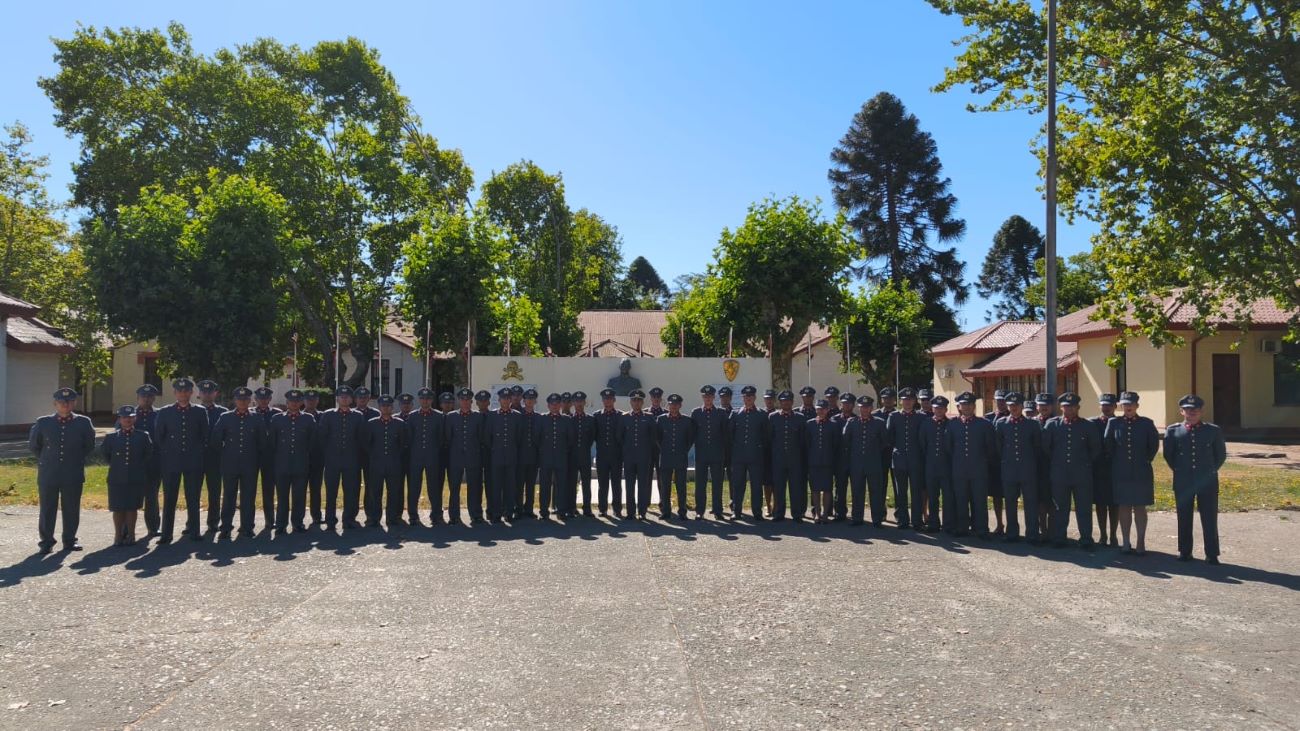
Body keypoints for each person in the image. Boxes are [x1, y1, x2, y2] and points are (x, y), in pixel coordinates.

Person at [29, 388, 97, 553]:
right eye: (62, 402)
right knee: (47, 508)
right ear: (55, 404)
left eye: (69, 401)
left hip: (72, 472)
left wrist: (73, 459)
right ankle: (46, 542)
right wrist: (49, 460)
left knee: (71, 508)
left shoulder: (83, 422)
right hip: (49, 473)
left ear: (74, 403)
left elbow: (89, 446)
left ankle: (69, 540)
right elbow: (34, 446)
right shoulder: (43, 422)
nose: (65, 404)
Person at [1164, 394, 1227, 563]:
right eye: (1188, 410)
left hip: (1207, 481)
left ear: (1201, 411)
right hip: (1183, 480)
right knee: (1183, 516)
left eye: (1195, 410)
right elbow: (1169, 455)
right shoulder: (1173, 430)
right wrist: (1180, 471)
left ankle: (1212, 554)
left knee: (1209, 517)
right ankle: (1185, 551)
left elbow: (1220, 455)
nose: (1192, 413)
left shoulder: (1213, 430)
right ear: (1181, 411)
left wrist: (1209, 472)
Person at [1043, 392, 1101, 549]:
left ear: (1078, 407)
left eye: (1072, 407)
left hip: (1082, 474)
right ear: (1061, 407)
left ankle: (1086, 538)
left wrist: (1084, 463)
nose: (1069, 410)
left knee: (1084, 507)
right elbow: (1046, 449)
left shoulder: (1088, 426)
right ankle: (1060, 537)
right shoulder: (1053, 425)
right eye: (1066, 407)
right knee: (1060, 507)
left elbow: (1095, 449)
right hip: (1060, 474)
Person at [155, 378, 210, 543]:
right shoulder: (165, 411)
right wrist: (169, 453)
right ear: (175, 393)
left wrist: (197, 453)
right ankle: (166, 534)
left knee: (193, 496)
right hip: (171, 461)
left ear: (191, 393)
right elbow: (159, 436)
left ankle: (194, 531)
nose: (183, 394)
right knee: (169, 498)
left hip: (193, 461)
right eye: (180, 391)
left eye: (186, 391)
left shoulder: (199, 411)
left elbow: (204, 435)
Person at [1104, 391, 1160, 555]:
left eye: (1131, 404)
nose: (1128, 407)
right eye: (1125, 404)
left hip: (1141, 470)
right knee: (1124, 506)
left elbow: (1153, 446)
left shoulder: (1146, 423)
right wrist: (1119, 461)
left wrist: (1143, 460)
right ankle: (1126, 542)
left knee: (1140, 506)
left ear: (1137, 406)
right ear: (1121, 406)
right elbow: (1108, 444)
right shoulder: (1114, 423)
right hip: (1120, 470)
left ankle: (1140, 541)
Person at [209, 386, 266, 537]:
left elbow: (262, 443)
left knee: (248, 496)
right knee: (229, 496)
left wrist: (256, 460)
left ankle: (247, 527)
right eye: (240, 399)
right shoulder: (225, 417)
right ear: (235, 400)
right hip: (230, 464)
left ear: (250, 401)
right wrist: (226, 454)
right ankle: (226, 527)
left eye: (246, 399)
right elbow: (216, 440)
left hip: (250, 464)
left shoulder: (257, 418)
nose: (242, 402)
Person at [943, 391, 996, 538]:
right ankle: (962, 527)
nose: (966, 407)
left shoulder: (984, 424)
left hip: (979, 469)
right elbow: (948, 447)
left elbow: (990, 448)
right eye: (963, 404)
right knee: (961, 499)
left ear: (974, 406)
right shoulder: (952, 424)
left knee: (979, 500)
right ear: (959, 407)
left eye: (969, 404)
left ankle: (981, 529)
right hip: (959, 468)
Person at [994, 392, 1042, 544]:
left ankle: (1032, 534)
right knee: (1010, 502)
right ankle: (1012, 533)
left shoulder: (1032, 424)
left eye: (1016, 405)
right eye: (1011, 406)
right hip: (1009, 469)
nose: (1013, 408)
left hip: (1028, 469)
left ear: (1022, 406)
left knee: (1030, 502)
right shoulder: (1001, 423)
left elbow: (1037, 447)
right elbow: (998, 447)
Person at [103, 405, 152, 546]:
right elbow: (107, 455)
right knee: (117, 508)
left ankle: (131, 535)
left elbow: (147, 454)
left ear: (135, 418)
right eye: (124, 418)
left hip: (135, 477)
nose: (128, 420)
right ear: (119, 419)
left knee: (132, 507)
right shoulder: (111, 437)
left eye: (131, 417)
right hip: (116, 477)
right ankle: (118, 536)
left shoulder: (143, 436)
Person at [269, 389, 317, 534]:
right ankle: (281, 524)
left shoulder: (308, 419)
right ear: (287, 402)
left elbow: (313, 442)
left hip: (300, 463)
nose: (294, 404)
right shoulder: (277, 419)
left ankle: (297, 523)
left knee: (299, 495)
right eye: (291, 401)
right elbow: (272, 442)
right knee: (282, 496)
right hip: (282, 464)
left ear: (301, 402)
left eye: (297, 401)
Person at [844, 394, 889, 527]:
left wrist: (873, 453)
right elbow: (846, 440)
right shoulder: (852, 422)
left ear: (871, 408)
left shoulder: (879, 423)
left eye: (867, 407)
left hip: (874, 462)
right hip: (857, 462)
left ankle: (877, 519)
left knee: (876, 491)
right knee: (857, 490)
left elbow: (884, 442)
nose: (864, 409)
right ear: (858, 408)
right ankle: (857, 518)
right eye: (862, 407)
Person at [364, 395, 408, 528]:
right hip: (376, 463)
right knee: (375, 492)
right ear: (379, 407)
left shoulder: (400, 424)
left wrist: (395, 457)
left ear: (392, 407)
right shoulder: (372, 423)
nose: (386, 408)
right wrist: (374, 456)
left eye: (388, 406)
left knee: (394, 492)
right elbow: (366, 444)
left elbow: (403, 444)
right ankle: (374, 518)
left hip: (394, 463)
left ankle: (392, 518)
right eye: (383, 406)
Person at [444, 388, 486, 526]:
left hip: (473, 457)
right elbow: (448, 438)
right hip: (455, 458)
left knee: (474, 488)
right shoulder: (451, 417)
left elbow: (481, 438)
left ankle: (476, 515)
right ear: (459, 401)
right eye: (463, 399)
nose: (465, 402)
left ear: (472, 401)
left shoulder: (478, 417)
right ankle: (454, 516)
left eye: (468, 400)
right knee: (454, 488)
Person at [885, 387, 924, 530]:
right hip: (899, 459)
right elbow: (889, 437)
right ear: (900, 401)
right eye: (904, 400)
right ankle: (902, 520)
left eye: (910, 399)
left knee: (916, 491)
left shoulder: (921, 417)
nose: (907, 402)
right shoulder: (894, 416)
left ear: (914, 401)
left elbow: (923, 439)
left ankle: (916, 520)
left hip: (915, 460)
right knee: (900, 492)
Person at [405, 387, 444, 527]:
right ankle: (413, 516)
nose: (425, 401)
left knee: (434, 487)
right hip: (415, 457)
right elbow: (409, 438)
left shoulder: (439, 416)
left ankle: (436, 515)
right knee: (414, 487)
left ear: (432, 400)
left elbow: (441, 438)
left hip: (432, 457)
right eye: (422, 398)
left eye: (428, 398)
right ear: (419, 400)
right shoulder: (413, 416)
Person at [729, 385, 768, 521]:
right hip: (739, 456)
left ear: (755, 397)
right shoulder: (735, 413)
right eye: (746, 397)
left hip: (755, 455)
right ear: (743, 398)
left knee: (756, 485)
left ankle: (757, 512)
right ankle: (736, 511)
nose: (748, 399)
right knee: (738, 485)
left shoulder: (762, 414)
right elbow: (731, 434)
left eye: (750, 396)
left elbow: (766, 435)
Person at [691, 385, 729, 519]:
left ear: (714, 397)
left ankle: (717, 510)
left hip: (717, 454)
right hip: (701, 453)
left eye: (710, 396)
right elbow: (692, 433)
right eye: (705, 396)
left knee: (717, 483)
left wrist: (723, 451)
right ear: (702, 397)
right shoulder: (696, 413)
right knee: (700, 484)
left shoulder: (721, 413)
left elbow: (725, 434)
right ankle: (700, 510)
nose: (707, 398)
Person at [768, 391, 806, 522]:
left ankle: (797, 514)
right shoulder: (773, 417)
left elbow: (802, 440)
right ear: (780, 402)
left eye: (788, 400)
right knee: (779, 487)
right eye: (784, 400)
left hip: (794, 459)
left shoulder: (800, 418)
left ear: (792, 402)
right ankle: (779, 513)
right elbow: (769, 438)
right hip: (778, 458)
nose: (786, 403)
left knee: (796, 487)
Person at [656, 393, 694, 520]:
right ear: (668, 405)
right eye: (671, 404)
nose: (673, 407)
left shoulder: (687, 421)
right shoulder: (661, 419)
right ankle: (666, 511)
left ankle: (682, 511)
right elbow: (658, 438)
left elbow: (690, 439)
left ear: (680, 405)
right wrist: (664, 450)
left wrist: (683, 450)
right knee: (665, 486)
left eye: (676, 405)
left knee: (681, 486)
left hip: (680, 457)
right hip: (666, 457)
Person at [534, 393, 573, 519]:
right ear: (548, 405)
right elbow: (537, 439)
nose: (555, 406)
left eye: (557, 404)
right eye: (552, 404)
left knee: (561, 484)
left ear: (561, 405)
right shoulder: (542, 419)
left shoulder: (566, 420)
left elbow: (570, 440)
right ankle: (544, 511)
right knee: (545, 485)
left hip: (561, 457)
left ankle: (561, 510)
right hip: (546, 458)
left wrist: (563, 452)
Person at [486, 388, 521, 524]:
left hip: (511, 456)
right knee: (496, 485)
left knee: (510, 485)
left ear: (511, 400)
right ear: (499, 400)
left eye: (508, 398)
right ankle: (496, 513)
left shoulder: (517, 416)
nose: (506, 401)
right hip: (496, 456)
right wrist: (495, 450)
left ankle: (509, 512)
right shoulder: (492, 415)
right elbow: (487, 437)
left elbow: (519, 437)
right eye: (503, 398)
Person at [620, 389, 656, 520]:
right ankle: (630, 512)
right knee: (629, 485)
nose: (636, 403)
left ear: (642, 402)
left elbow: (653, 438)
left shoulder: (649, 417)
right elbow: (620, 437)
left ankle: (642, 511)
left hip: (643, 457)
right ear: (630, 402)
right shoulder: (624, 418)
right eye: (634, 400)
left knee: (643, 485)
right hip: (629, 457)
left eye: (639, 400)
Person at [917, 395, 951, 533]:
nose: (938, 410)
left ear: (946, 409)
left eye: (941, 408)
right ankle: (933, 523)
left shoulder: (951, 424)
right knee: (932, 496)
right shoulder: (926, 423)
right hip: (931, 465)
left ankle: (948, 524)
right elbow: (922, 444)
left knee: (948, 496)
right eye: (936, 408)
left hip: (946, 466)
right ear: (932, 408)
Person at [197, 380, 227, 533]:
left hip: (215, 458)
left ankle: (213, 522)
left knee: (214, 492)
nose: (207, 394)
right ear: (199, 393)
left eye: (210, 391)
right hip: (196, 458)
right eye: (204, 391)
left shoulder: (223, 412)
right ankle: (192, 523)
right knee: (193, 493)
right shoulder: (192, 410)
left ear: (216, 393)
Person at [134, 384, 163, 538]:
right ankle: (126, 529)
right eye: (143, 396)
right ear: (138, 398)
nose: (146, 399)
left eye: (150, 396)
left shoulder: (160, 414)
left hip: (154, 461)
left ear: (154, 398)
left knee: (152, 495)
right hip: (134, 463)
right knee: (131, 496)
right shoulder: (129, 414)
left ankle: (153, 527)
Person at [1092, 393, 1120, 546]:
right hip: (1098, 468)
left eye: (1109, 405)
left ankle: (1113, 535)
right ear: (1100, 406)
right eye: (1104, 405)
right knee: (1100, 503)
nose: (1106, 408)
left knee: (1114, 504)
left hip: (1116, 468)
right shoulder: (1092, 423)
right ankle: (1103, 535)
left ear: (1115, 406)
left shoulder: (1120, 422)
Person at [804, 399, 838, 523]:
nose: (821, 411)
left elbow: (835, 444)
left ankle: (825, 514)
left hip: (828, 462)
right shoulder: (809, 424)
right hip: (813, 462)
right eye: (818, 409)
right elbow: (807, 443)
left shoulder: (833, 425)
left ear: (827, 410)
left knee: (828, 489)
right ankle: (817, 513)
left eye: (823, 409)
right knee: (815, 489)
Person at [252, 386, 281, 530]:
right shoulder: (250, 414)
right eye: (260, 398)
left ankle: (270, 520)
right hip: (251, 456)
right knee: (248, 490)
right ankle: (247, 522)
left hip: (270, 456)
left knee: (269, 489)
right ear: (255, 399)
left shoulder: (277, 414)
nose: (263, 401)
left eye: (266, 398)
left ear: (270, 399)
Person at [593, 388, 624, 518]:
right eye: (605, 399)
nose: (607, 401)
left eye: (610, 399)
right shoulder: (597, 415)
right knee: (603, 484)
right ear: (602, 400)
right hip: (602, 455)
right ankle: (602, 508)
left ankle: (617, 509)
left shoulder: (621, 415)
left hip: (616, 455)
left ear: (614, 400)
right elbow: (594, 434)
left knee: (616, 483)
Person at [984, 389, 1010, 536]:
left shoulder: (1011, 417)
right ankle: (999, 524)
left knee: (1010, 496)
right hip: (992, 463)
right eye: (998, 400)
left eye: (1003, 400)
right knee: (996, 495)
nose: (1001, 403)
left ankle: (1011, 525)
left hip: (1007, 461)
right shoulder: (988, 418)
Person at [570, 391, 596, 518]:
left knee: (586, 483)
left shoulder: (590, 419)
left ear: (585, 403)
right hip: (572, 456)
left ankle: (587, 508)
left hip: (585, 455)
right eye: (576, 401)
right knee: (572, 482)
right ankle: (572, 507)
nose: (579, 404)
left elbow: (592, 437)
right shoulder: (569, 419)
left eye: (581, 401)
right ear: (573, 403)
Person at [516, 389, 541, 520]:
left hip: (533, 456)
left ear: (535, 401)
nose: (530, 401)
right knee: (519, 485)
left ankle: (529, 509)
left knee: (531, 485)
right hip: (520, 456)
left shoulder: (539, 417)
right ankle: (518, 509)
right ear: (523, 401)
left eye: (532, 399)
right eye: (527, 399)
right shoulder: (518, 416)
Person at [831, 392, 856, 521]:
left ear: (853, 405)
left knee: (856, 487)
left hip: (854, 458)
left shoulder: (857, 419)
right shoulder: (834, 420)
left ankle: (857, 514)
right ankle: (840, 512)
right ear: (840, 404)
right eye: (844, 403)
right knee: (840, 487)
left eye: (849, 403)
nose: (846, 405)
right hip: (839, 458)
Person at [303, 391, 326, 526]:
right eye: (308, 400)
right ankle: (298, 517)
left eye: (313, 399)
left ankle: (316, 515)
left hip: (318, 458)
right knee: (299, 489)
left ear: (317, 401)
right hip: (301, 458)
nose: (311, 402)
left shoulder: (323, 416)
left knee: (316, 489)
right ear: (303, 401)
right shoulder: (299, 416)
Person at [648, 387, 667, 515]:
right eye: (654, 397)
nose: (656, 399)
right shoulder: (644, 413)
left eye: (658, 397)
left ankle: (663, 502)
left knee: (662, 478)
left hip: (661, 451)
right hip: (647, 451)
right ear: (651, 399)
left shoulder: (666, 413)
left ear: (661, 399)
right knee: (646, 477)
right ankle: (646, 502)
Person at [760, 389, 777, 516]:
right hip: (763, 451)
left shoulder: (778, 414)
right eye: (767, 399)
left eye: (771, 399)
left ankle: (776, 506)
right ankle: (768, 505)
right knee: (766, 481)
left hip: (776, 451)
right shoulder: (761, 413)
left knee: (776, 480)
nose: (769, 401)